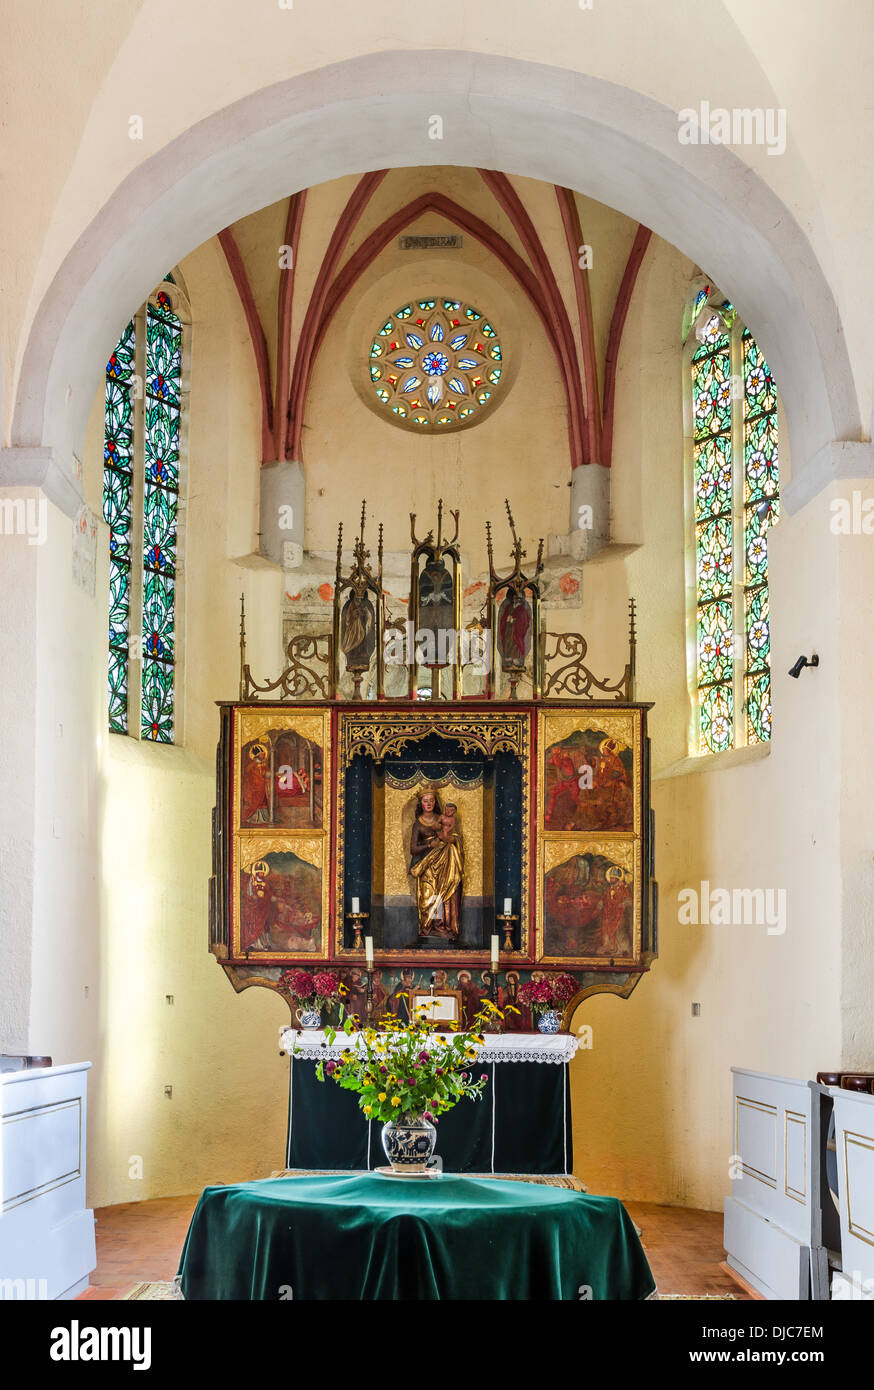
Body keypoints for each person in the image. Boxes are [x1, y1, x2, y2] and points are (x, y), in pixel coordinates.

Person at [409, 790, 464, 940]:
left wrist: (452, 840)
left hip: (445, 864)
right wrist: (429, 844)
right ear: (421, 803)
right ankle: (428, 927)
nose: (428, 804)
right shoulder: (418, 823)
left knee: (444, 895)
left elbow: (453, 837)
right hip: (427, 866)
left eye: (431, 800)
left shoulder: (442, 818)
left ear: (435, 803)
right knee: (429, 896)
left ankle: (441, 926)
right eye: (425, 801)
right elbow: (413, 849)